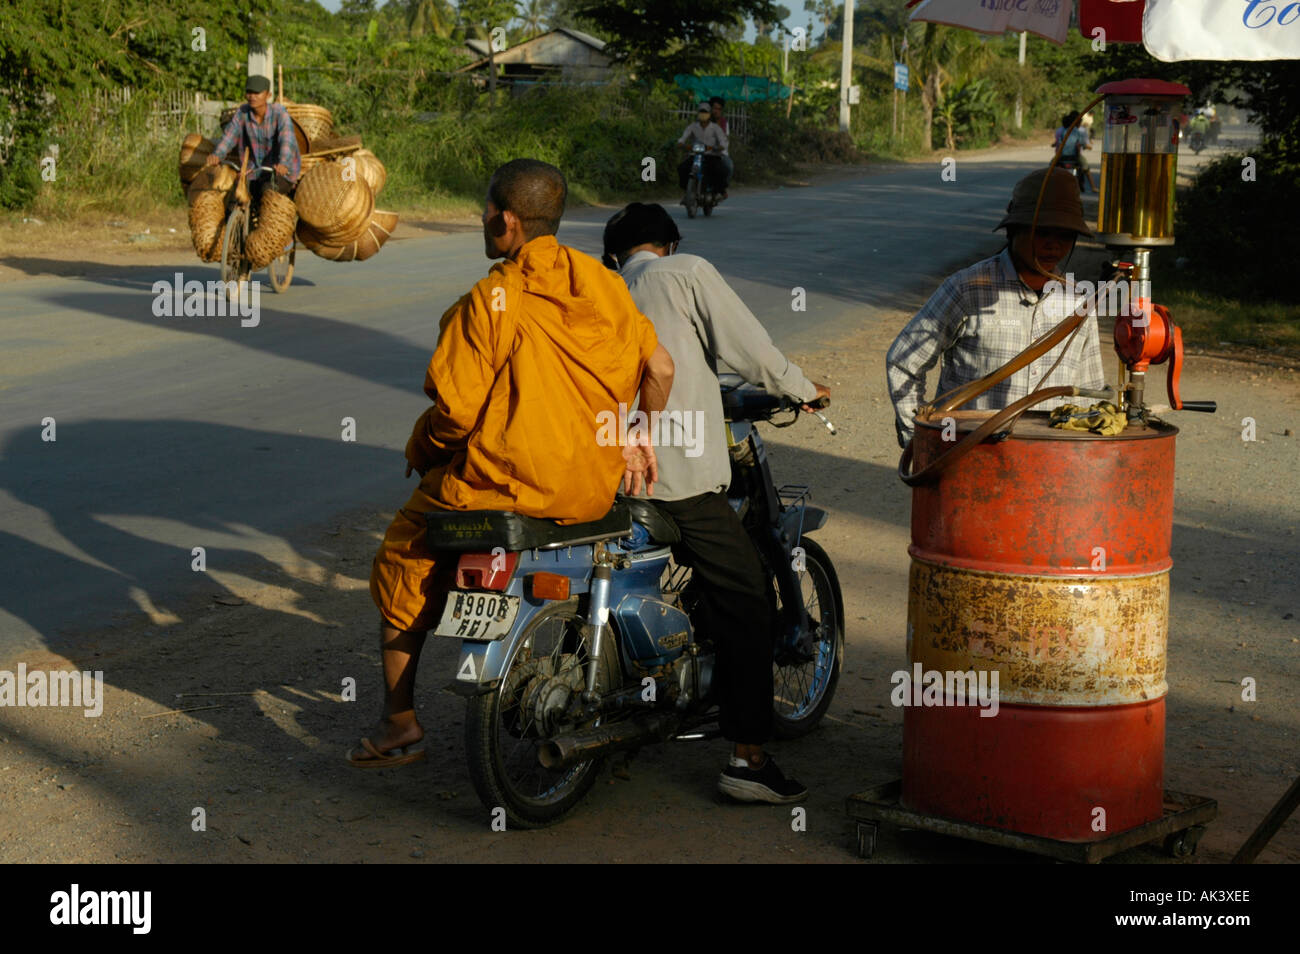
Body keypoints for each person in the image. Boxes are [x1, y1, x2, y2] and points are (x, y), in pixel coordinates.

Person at [350, 160, 676, 766]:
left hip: (506, 488)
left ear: (505, 221)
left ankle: (398, 720)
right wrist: (637, 433)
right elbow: (660, 369)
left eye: (484, 211)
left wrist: (422, 448)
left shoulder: (494, 296)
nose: (481, 221)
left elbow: (454, 414)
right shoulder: (604, 285)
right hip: (587, 492)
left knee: (404, 553)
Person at [603, 202, 831, 804]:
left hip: (603, 476)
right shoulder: (686, 274)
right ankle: (748, 759)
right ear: (669, 245)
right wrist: (802, 388)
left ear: (615, 255)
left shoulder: (600, 288)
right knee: (747, 595)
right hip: (672, 481)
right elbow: (750, 350)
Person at [886, 167, 1105, 448]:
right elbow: (903, 361)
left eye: (1064, 235)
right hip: (969, 460)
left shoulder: (1079, 303)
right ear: (1014, 230)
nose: (1053, 245)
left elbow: (1092, 395)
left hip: (1052, 466)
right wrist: (922, 442)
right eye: (1042, 232)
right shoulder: (967, 290)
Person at [205, 75, 301, 203]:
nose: (252, 97)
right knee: (232, 198)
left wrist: (283, 163)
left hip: (280, 172)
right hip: (253, 171)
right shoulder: (242, 113)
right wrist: (217, 155)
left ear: (268, 95)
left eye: (257, 93)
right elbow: (229, 137)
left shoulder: (279, 113)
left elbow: (287, 140)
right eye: (249, 92)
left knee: (267, 193)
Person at [677, 103, 729, 200]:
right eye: (701, 112)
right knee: (682, 168)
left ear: (709, 114)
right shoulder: (693, 126)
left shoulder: (715, 128)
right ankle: (687, 191)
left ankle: (719, 191)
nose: (703, 114)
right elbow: (683, 138)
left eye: (705, 112)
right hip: (695, 154)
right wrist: (681, 143)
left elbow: (723, 142)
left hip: (711, 155)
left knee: (721, 170)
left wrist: (718, 147)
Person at [708, 96, 735, 195]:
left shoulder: (723, 123)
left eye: (719, 109)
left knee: (728, 166)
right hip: (702, 151)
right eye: (714, 108)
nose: (716, 111)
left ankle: (721, 188)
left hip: (718, 153)